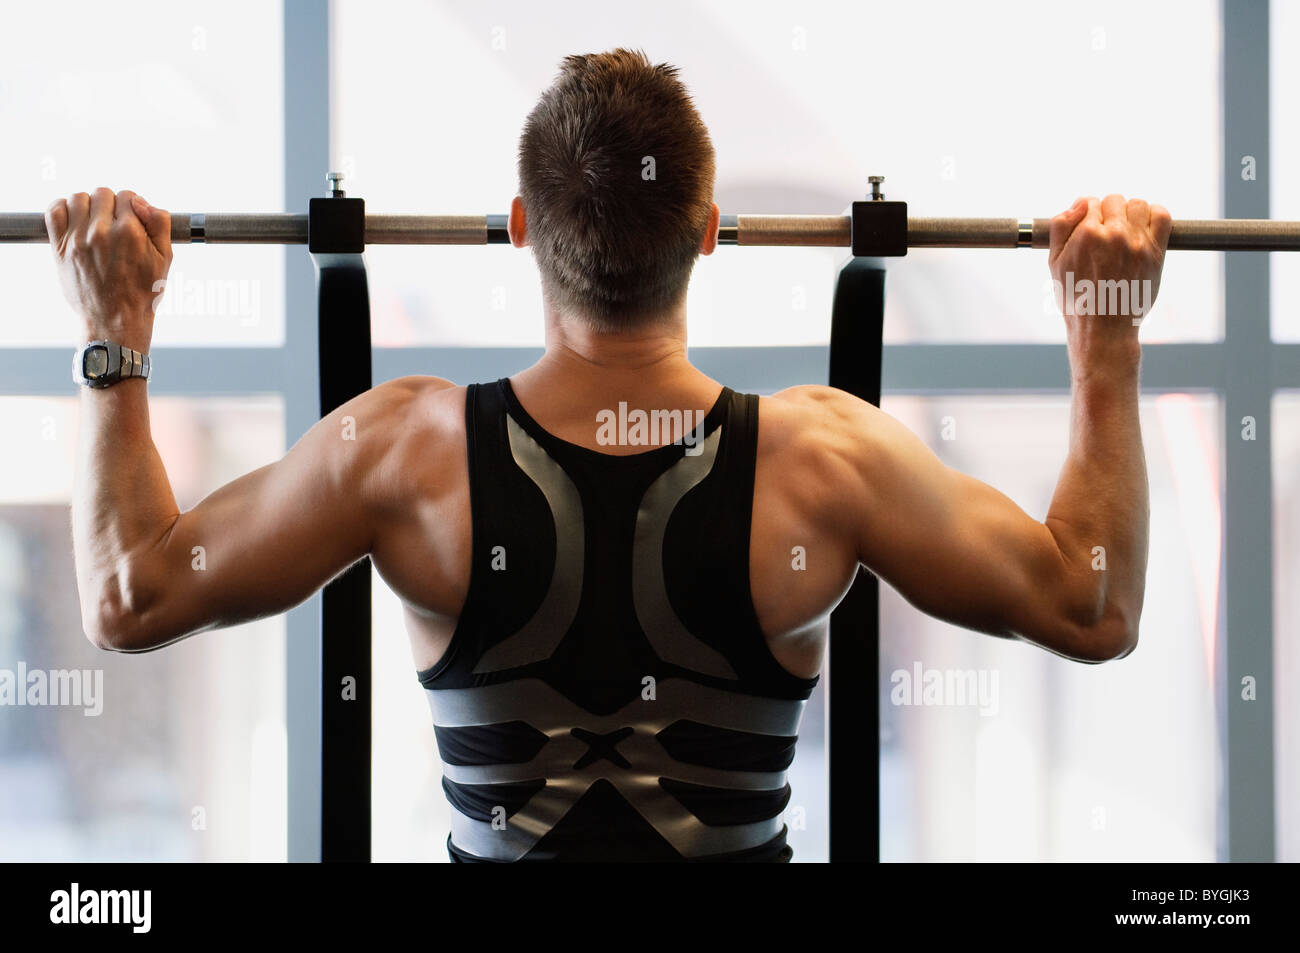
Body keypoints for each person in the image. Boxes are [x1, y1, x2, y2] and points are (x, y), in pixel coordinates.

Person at [47, 48, 1170, 862]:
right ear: (711, 228)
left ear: (525, 227)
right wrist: (1104, 336)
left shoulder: (401, 450)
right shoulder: (825, 458)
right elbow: (1090, 605)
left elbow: (129, 591)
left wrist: (115, 332)